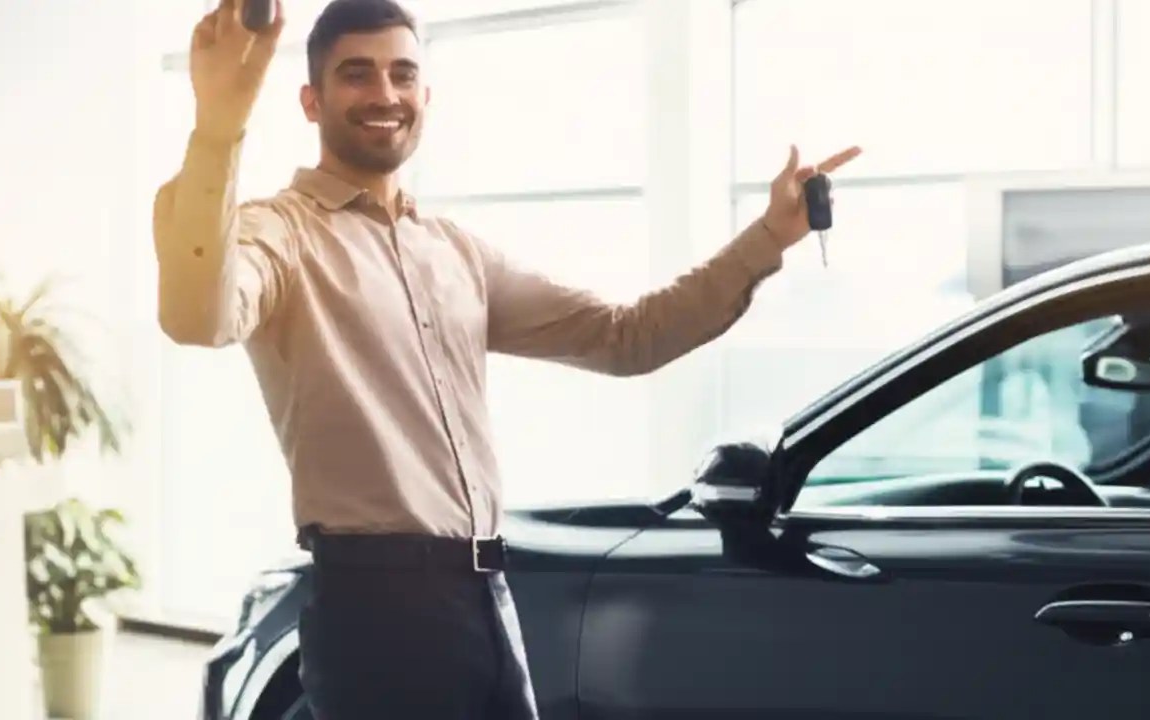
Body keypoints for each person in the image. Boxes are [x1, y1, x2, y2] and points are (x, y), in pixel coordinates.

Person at [153, 0, 861, 717]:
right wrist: (219, 126)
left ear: (426, 96)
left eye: (403, 74)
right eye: (356, 75)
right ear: (311, 100)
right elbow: (196, 314)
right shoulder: (280, 233)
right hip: (375, 613)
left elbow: (627, 335)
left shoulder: (455, 251)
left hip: (488, 598)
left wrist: (769, 236)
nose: (385, 95)